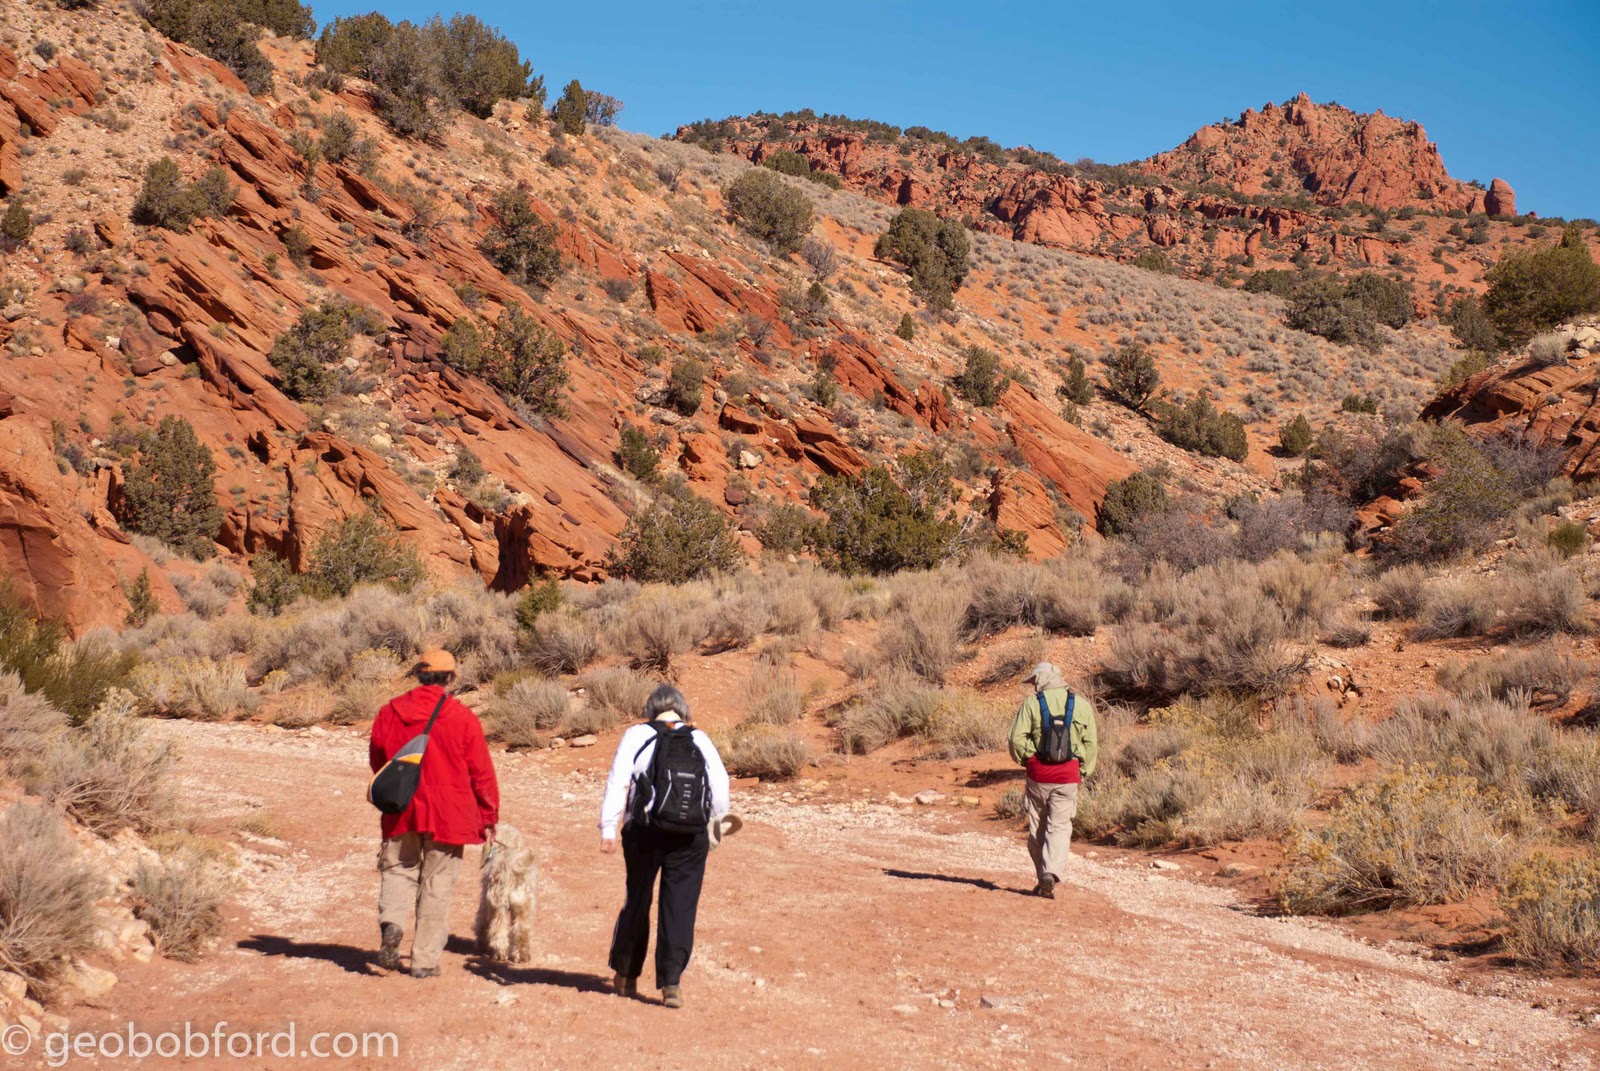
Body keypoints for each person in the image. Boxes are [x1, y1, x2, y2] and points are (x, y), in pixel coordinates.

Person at [368, 649, 499, 978]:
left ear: (419, 674)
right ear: (451, 678)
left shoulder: (390, 712)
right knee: (437, 884)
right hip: (448, 814)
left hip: (402, 811)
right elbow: (480, 772)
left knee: (398, 871)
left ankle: (393, 924)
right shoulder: (462, 717)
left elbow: (378, 761)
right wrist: (488, 815)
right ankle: (425, 961)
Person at [599, 684, 730, 1009]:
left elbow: (618, 781)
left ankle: (627, 975)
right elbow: (720, 787)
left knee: (638, 898)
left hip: (644, 831)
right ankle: (671, 983)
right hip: (690, 834)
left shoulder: (636, 734)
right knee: (680, 906)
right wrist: (714, 828)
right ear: (683, 710)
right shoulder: (699, 739)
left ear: (651, 708)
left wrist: (609, 827)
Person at [1007, 661, 1098, 899]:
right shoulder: (1081, 704)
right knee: (1059, 827)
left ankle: (1042, 878)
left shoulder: (1031, 703)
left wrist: (1028, 759)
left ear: (1043, 679)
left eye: (1035, 680)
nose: (1034, 685)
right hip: (1067, 775)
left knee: (1038, 827)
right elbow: (1091, 743)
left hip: (1039, 775)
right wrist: (1084, 769)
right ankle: (1051, 873)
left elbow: (1016, 739)